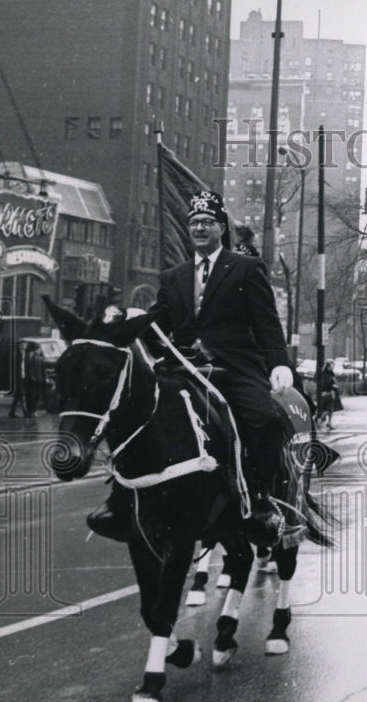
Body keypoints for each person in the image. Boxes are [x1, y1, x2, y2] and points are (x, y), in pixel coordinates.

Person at [88, 190, 293, 546]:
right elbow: (161, 324)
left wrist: (278, 363)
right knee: (135, 411)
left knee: (265, 419)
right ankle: (120, 499)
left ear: (220, 227)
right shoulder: (174, 276)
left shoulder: (245, 267)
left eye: (207, 223)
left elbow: (266, 323)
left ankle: (261, 500)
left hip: (233, 368)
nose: (199, 228)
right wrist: (133, 321)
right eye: (194, 223)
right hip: (183, 368)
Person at [23, 341, 46, 418]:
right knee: (33, 396)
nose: (39, 351)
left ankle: (32, 411)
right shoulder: (30, 358)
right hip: (33, 380)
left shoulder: (39, 358)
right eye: (38, 349)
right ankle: (32, 411)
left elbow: (43, 370)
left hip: (37, 379)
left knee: (35, 396)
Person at [8, 340, 28, 418]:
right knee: (22, 394)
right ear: (19, 346)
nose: (24, 347)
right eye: (22, 345)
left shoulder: (26, 355)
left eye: (25, 345)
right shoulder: (15, 355)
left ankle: (12, 412)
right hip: (17, 378)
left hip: (24, 377)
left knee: (17, 396)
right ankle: (25, 411)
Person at [316, 360, 338, 431]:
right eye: (332, 366)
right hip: (328, 393)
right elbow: (327, 384)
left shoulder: (326, 374)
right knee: (329, 410)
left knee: (330, 409)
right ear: (328, 366)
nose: (333, 367)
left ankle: (329, 422)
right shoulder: (327, 375)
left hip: (328, 393)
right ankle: (320, 420)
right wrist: (333, 387)